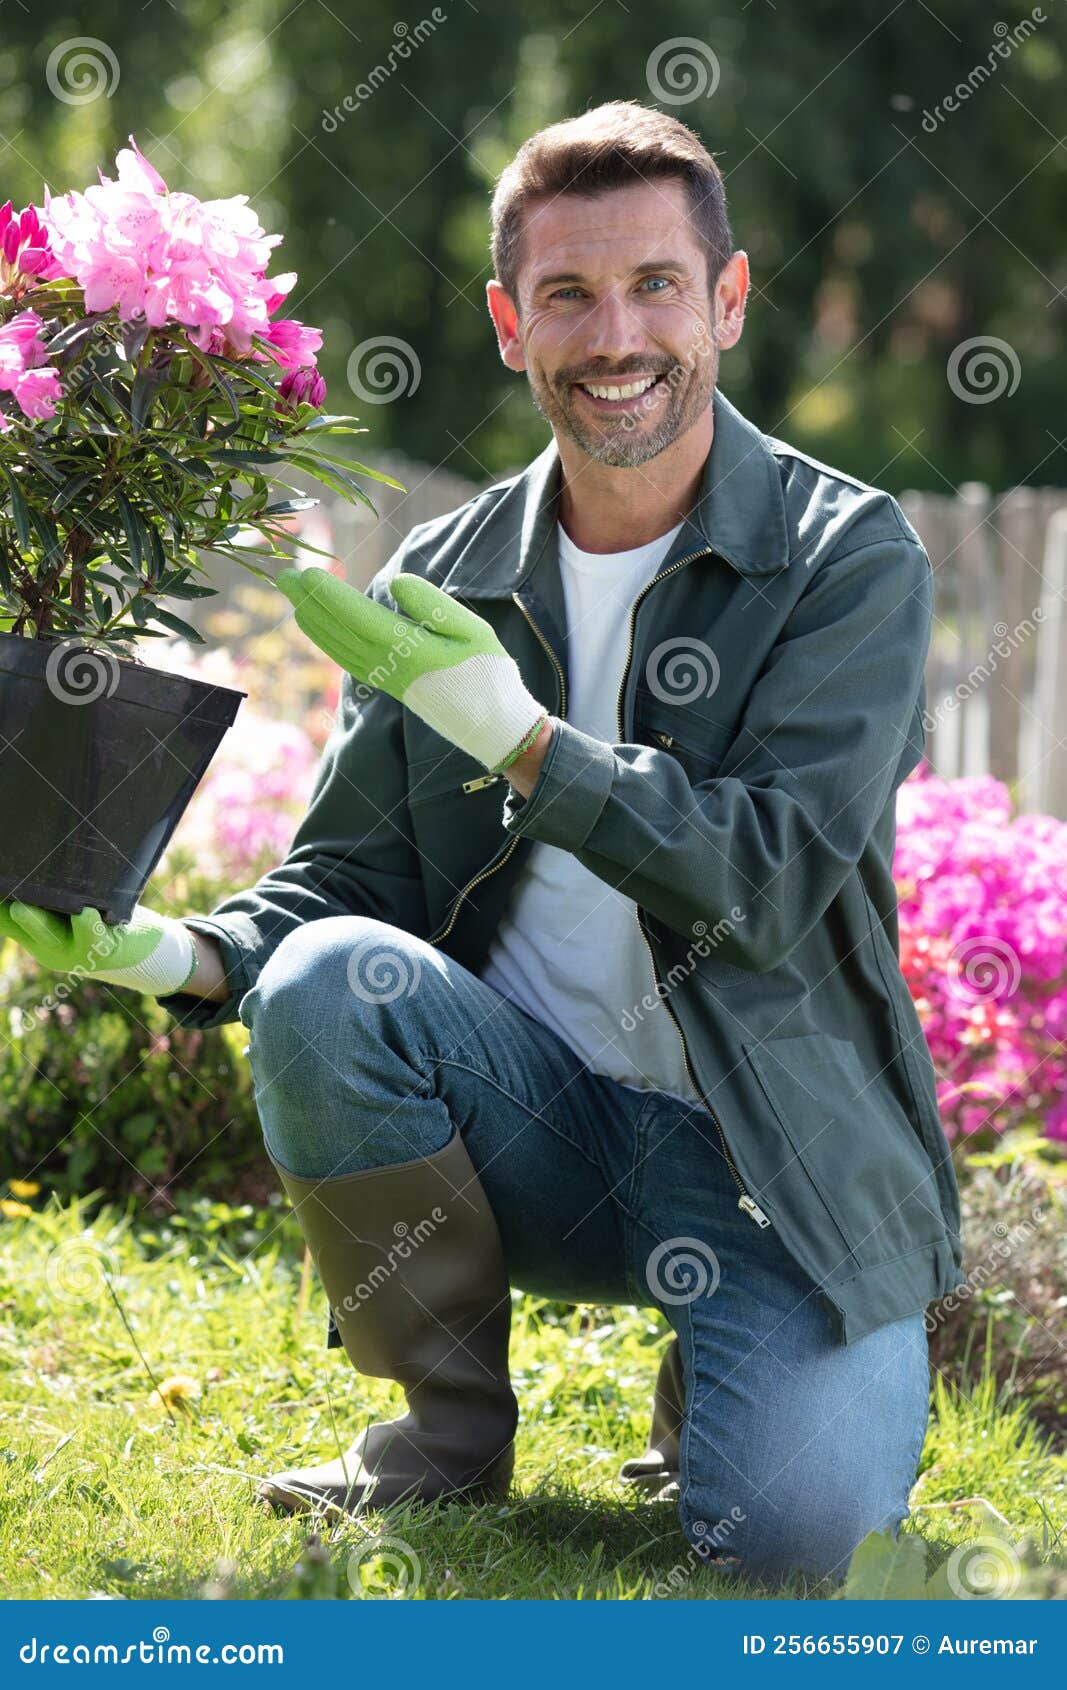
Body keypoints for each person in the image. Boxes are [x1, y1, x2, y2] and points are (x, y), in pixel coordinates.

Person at [2, 100, 962, 1583]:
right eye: (568, 295)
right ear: (512, 324)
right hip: (538, 1130)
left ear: (728, 298)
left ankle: (722, 1358)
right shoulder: (446, 572)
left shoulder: (845, 558)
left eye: (655, 285)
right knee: (331, 973)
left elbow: (767, 880)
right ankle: (445, 1437)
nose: (614, 333)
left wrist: (529, 741)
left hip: (777, 1162)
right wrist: (175, 951)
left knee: (793, 1548)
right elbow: (345, 885)